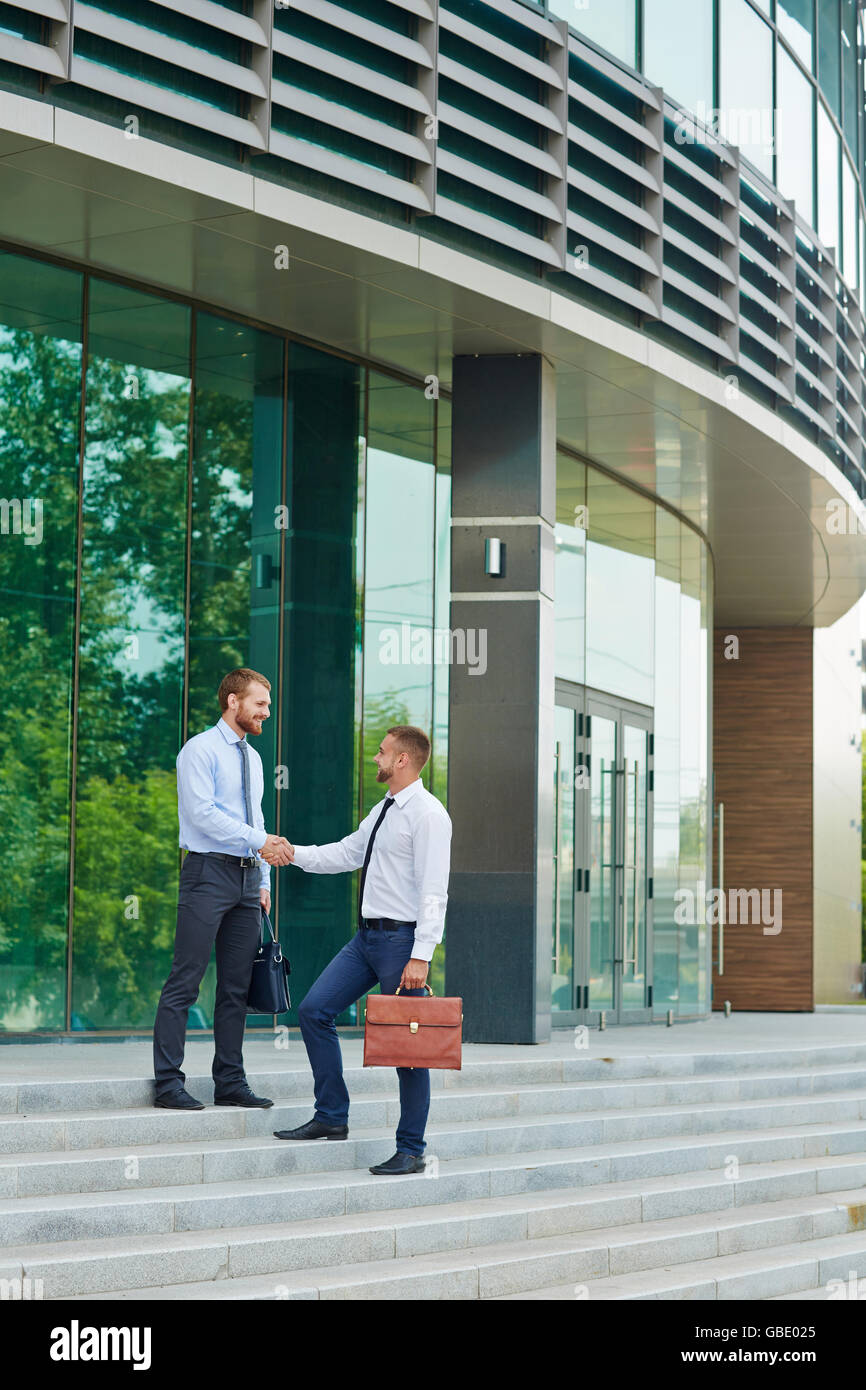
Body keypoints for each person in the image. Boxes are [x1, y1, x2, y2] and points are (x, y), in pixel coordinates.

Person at [275, 726, 451, 1174]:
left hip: (402, 944)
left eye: (382, 752)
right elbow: (347, 853)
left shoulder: (429, 815)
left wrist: (422, 954)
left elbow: (434, 890)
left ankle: (411, 1149)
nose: (375, 758)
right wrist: (291, 852)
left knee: (408, 1049)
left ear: (403, 761)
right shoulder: (385, 809)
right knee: (314, 1011)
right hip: (366, 940)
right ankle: (332, 1116)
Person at [152, 668, 292, 1110]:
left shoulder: (252, 758)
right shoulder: (199, 750)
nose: (266, 713)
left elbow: (258, 822)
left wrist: (265, 877)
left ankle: (230, 1082)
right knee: (185, 980)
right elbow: (202, 815)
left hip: (249, 881)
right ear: (233, 701)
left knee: (236, 987)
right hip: (207, 875)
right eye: (260, 704)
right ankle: (168, 1084)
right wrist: (259, 843)